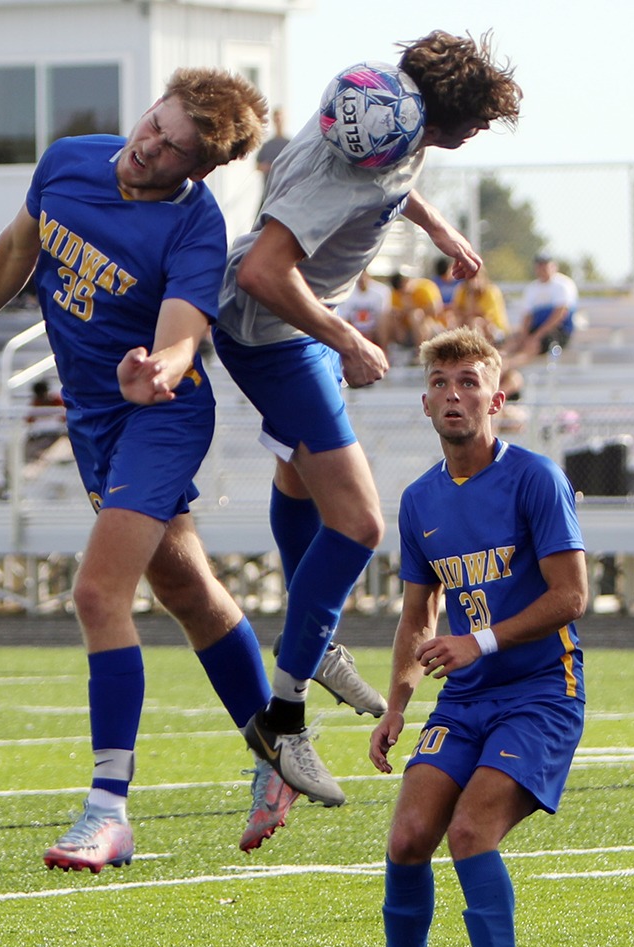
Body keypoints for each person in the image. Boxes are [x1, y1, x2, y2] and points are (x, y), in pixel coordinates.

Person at [0, 67, 284, 870]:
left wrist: (158, 369)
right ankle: (278, 752)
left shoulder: (195, 226)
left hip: (158, 418)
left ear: (198, 169)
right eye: (153, 123)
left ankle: (108, 810)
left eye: (172, 148)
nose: (148, 145)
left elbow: (182, 336)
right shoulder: (68, 161)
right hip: (93, 423)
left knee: (98, 594)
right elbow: (19, 245)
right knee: (188, 590)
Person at [215, 33, 522, 813]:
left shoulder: (393, 115)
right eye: (477, 124)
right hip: (274, 332)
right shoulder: (368, 142)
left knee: (299, 482)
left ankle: (310, 647)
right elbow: (261, 269)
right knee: (356, 525)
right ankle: (282, 719)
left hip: (297, 328)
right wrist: (346, 337)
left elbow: (392, 182)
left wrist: (437, 227)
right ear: (441, 116)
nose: (478, 135)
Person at [315, 327, 587, 947]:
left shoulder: (535, 479)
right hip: (465, 698)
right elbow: (417, 615)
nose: (453, 394)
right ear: (426, 403)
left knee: (470, 833)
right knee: (407, 839)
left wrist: (482, 641)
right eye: (440, 383)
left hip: (541, 690)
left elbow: (572, 596)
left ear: (496, 398)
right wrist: (395, 706)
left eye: (469, 382)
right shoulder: (419, 499)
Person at [508, 254, 576, 362]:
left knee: (532, 346)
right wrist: (524, 336)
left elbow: (559, 315)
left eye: (545, 266)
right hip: (535, 330)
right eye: (540, 266)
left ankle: (507, 366)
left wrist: (536, 336)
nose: (542, 269)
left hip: (556, 331)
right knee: (511, 342)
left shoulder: (562, 285)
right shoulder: (532, 288)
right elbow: (527, 315)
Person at [387, 268, 445, 351]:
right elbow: (395, 312)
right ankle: (385, 351)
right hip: (406, 330)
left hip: (431, 326)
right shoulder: (396, 293)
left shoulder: (425, 287)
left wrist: (412, 307)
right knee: (385, 317)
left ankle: (420, 351)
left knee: (415, 315)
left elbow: (436, 311)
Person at [447, 267, 509, 344]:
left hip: (495, 329)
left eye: (476, 277)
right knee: (454, 324)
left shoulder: (491, 291)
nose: (473, 281)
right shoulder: (462, 290)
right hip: (469, 321)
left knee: (476, 323)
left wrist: (472, 296)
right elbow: (456, 311)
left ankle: (478, 350)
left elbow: (487, 318)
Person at [335, 269, 393, 351]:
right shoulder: (346, 292)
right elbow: (345, 318)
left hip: (374, 330)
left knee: (385, 318)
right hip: (355, 330)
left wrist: (372, 331)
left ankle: (384, 351)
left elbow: (383, 316)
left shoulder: (381, 291)